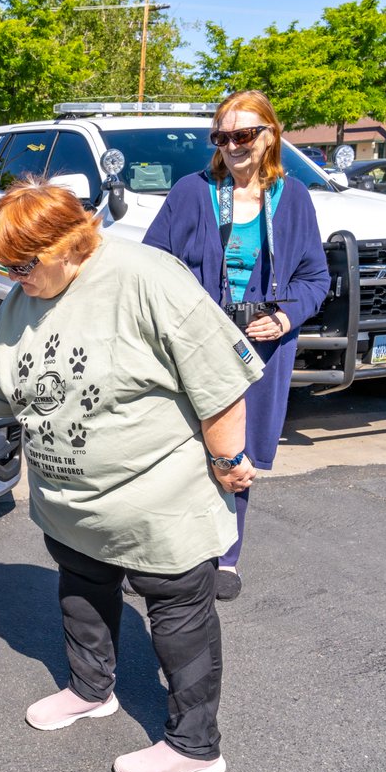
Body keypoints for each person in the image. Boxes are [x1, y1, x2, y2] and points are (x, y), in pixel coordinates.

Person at [0, 178, 264, 772]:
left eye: (22, 264)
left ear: (71, 242)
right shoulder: (23, 299)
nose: (12, 278)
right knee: (82, 597)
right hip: (72, 507)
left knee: (179, 625)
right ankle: (93, 691)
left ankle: (196, 748)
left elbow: (221, 381)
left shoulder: (148, 277)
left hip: (158, 505)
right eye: (2, 266)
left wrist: (226, 463)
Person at [143, 90, 330, 602]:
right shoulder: (191, 191)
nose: (232, 145)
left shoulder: (291, 197)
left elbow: (316, 275)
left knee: (238, 454)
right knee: (181, 445)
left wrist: (287, 314)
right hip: (196, 344)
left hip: (262, 348)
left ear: (270, 135)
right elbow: (153, 263)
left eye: (243, 134)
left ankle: (227, 556)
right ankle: (168, 554)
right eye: (222, 136)